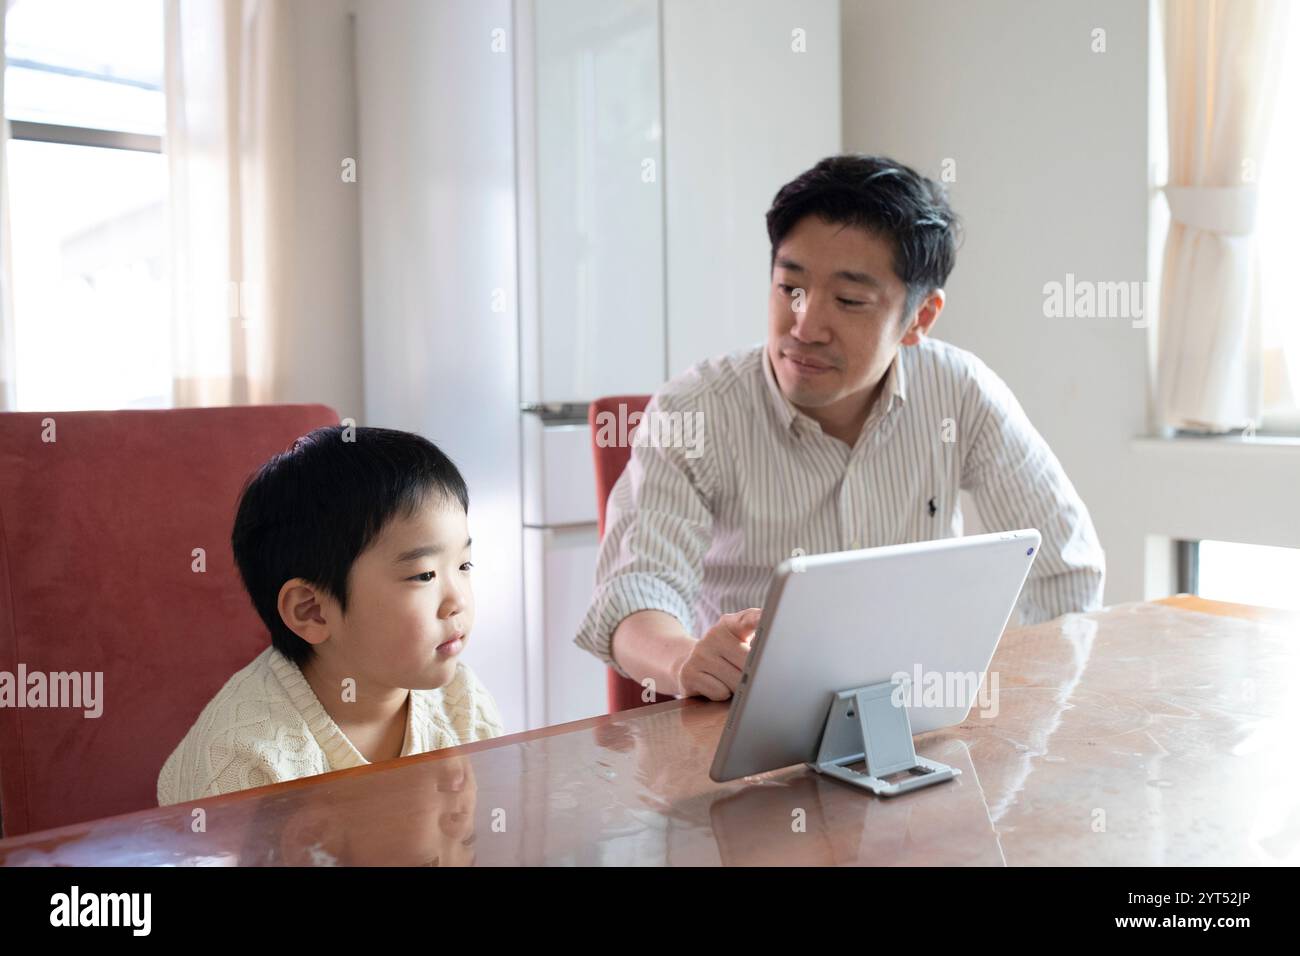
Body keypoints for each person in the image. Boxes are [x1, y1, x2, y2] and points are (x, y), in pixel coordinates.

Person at [575, 154, 1105, 702]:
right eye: (790, 287)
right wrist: (684, 658)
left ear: (920, 318)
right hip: (747, 714)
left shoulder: (960, 393)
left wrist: (1032, 707)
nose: (805, 326)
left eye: (849, 300)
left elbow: (1064, 571)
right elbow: (635, 591)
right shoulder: (695, 410)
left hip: (916, 713)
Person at [158, 425, 502, 804]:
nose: (458, 600)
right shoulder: (244, 761)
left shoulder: (460, 698)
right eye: (424, 575)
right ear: (312, 611)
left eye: (464, 565)